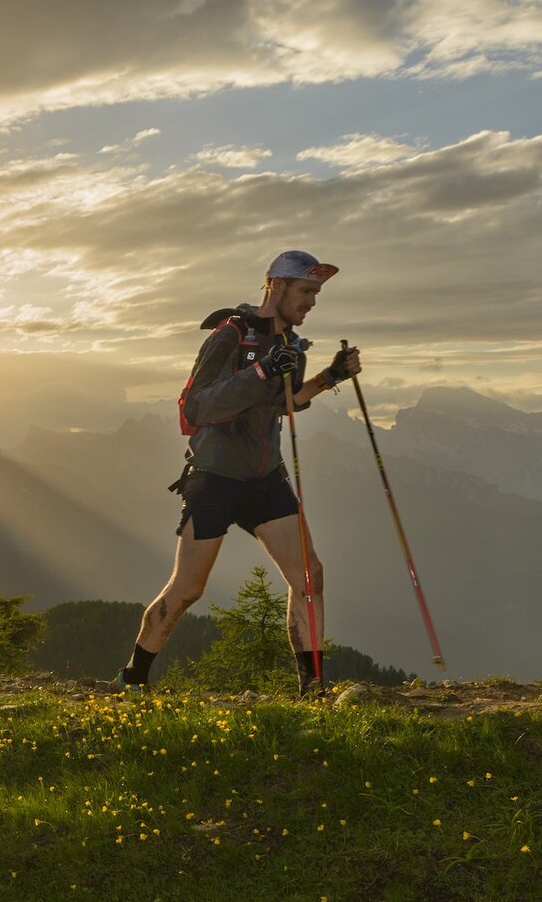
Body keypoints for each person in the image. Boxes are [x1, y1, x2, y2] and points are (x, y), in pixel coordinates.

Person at [115, 250, 361, 696]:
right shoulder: (229, 335)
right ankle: (132, 677)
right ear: (276, 285)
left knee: (310, 577)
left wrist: (329, 376)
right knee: (188, 590)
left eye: (317, 294)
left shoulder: (290, 347)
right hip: (216, 477)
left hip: (266, 477)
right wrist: (261, 369)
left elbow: (279, 404)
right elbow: (197, 407)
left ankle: (313, 687)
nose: (312, 302)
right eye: (306, 291)